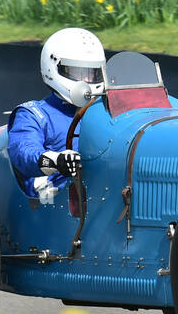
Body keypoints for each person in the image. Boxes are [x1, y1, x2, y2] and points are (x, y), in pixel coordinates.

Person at [7, 27, 107, 200]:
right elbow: (24, 153)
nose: (87, 81)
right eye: (79, 73)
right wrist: (57, 160)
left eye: (92, 73)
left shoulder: (107, 112)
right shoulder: (33, 114)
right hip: (54, 199)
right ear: (53, 68)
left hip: (101, 190)